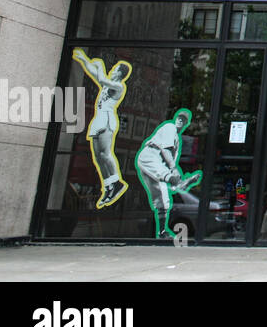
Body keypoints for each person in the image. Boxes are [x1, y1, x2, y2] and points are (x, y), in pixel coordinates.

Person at [72, 48, 132, 209]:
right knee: (98, 157)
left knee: (105, 154)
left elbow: (102, 78)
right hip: (99, 119)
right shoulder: (107, 86)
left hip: (106, 120)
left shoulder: (118, 86)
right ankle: (109, 186)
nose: (112, 71)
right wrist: (84, 60)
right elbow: (96, 76)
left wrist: (100, 66)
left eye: (114, 69)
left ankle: (117, 181)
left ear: (119, 73)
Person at [133, 108, 203, 239]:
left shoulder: (176, 140)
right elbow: (165, 151)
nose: (180, 121)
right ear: (175, 119)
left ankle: (162, 232)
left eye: (183, 120)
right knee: (166, 174)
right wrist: (173, 169)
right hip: (151, 155)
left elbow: (169, 156)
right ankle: (181, 183)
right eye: (179, 118)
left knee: (162, 198)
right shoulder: (169, 127)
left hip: (155, 163)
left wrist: (173, 172)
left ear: (186, 124)